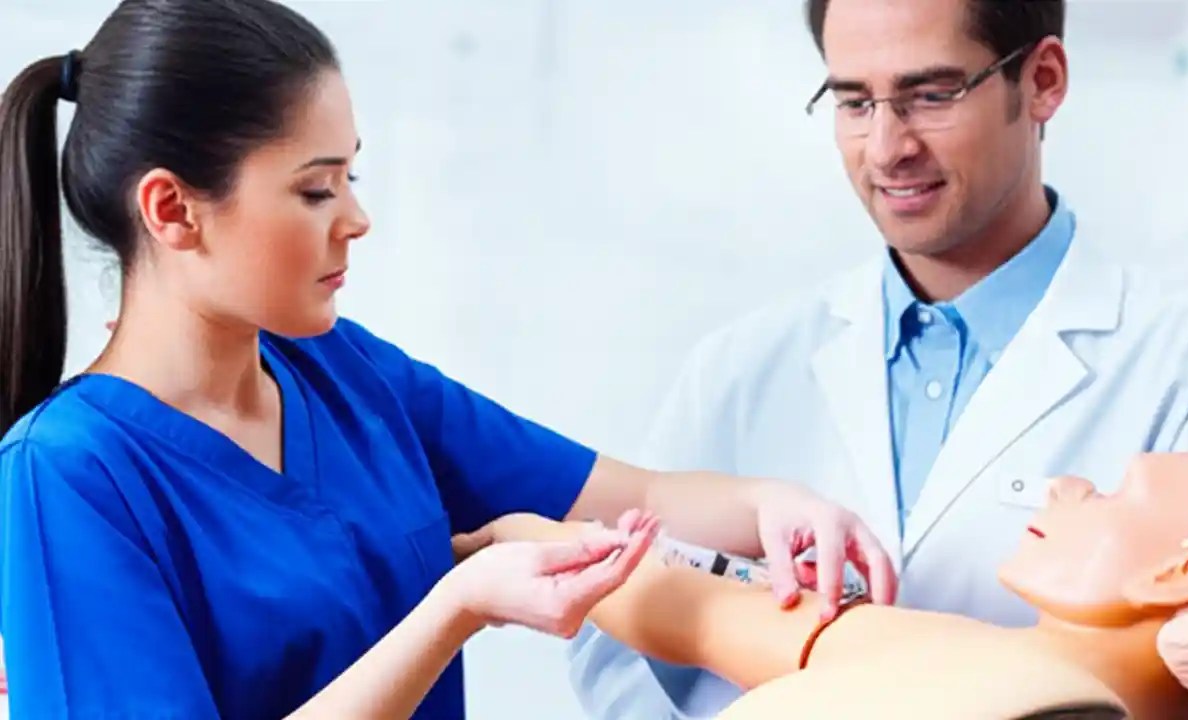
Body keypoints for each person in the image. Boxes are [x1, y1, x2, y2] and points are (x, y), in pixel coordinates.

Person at [0, 1, 900, 718]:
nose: (356, 217)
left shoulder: (345, 375)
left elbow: (637, 500)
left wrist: (771, 505)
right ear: (172, 209)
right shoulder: (68, 476)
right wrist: (454, 607)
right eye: (316, 188)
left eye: (353, 176)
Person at [568, 0, 1188, 717]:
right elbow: (613, 641)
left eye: (931, 95)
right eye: (853, 101)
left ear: (1043, 81)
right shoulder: (737, 370)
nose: (885, 148)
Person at [482, 449, 1188, 720]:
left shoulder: (976, 672)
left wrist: (490, 549)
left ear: (1182, 574)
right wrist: (502, 541)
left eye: (1112, 491)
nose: (1067, 485)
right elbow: (684, 608)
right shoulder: (944, 655)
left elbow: (682, 609)